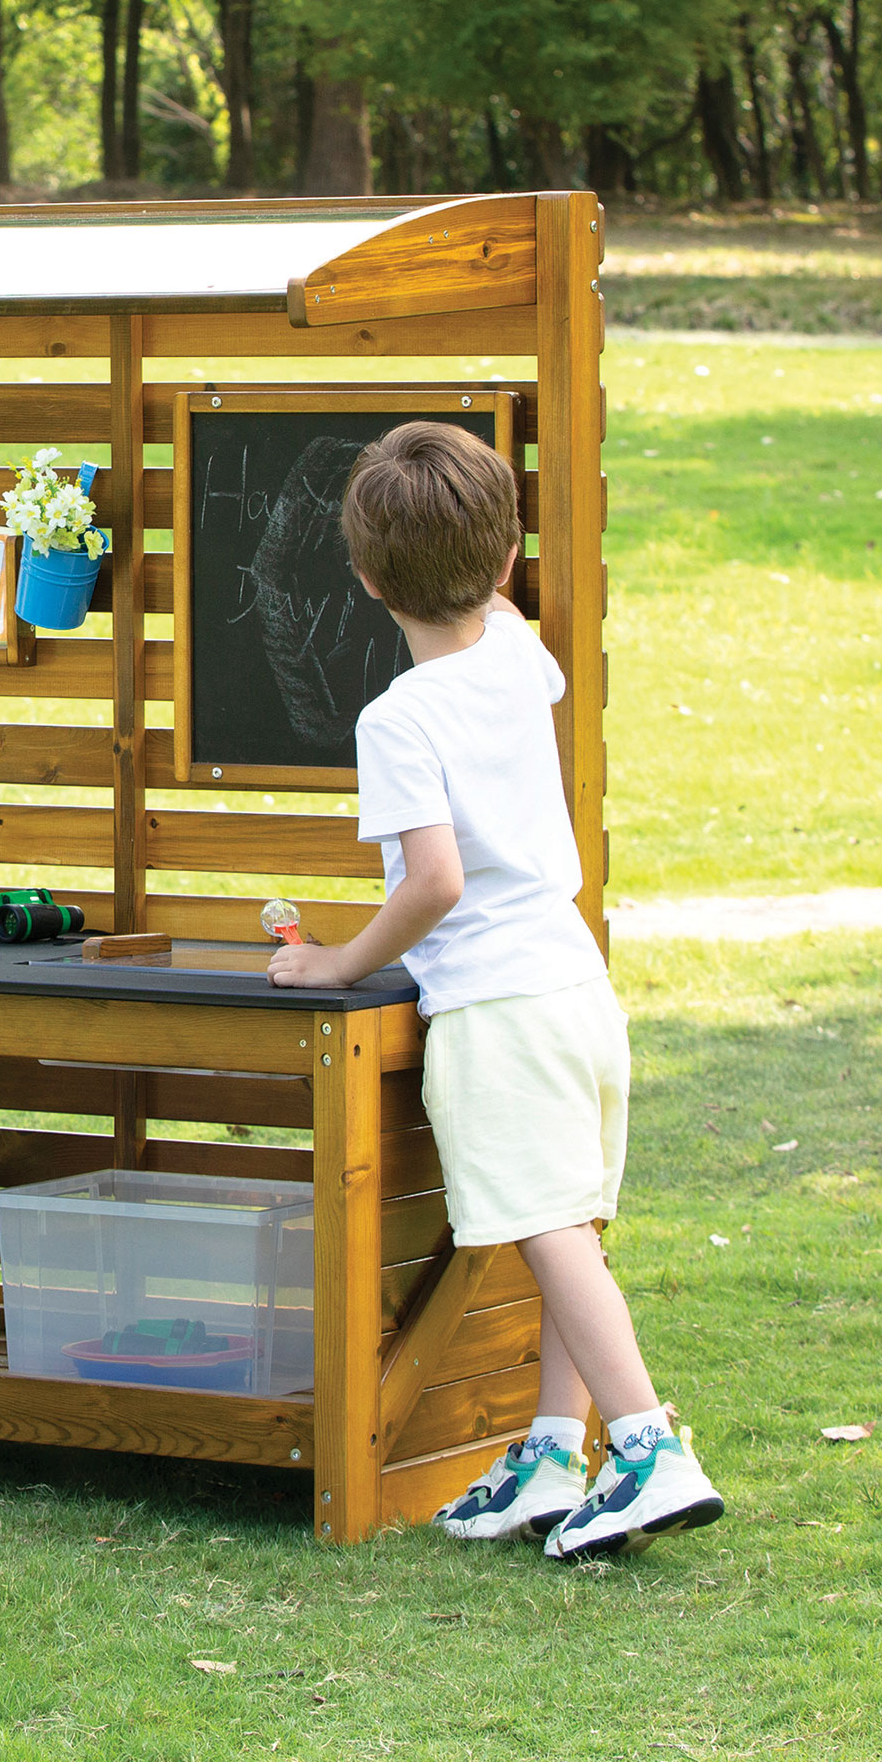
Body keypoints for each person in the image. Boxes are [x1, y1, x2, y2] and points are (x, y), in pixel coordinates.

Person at [267, 423, 724, 1561]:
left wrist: (339, 961)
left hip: (499, 1007)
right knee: (569, 1223)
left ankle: (649, 1449)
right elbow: (494, 606)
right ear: (510, 560)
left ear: (366, 581)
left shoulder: (396, 719)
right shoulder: (521, 654)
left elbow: (435, 882)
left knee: (546, 1228)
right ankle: (552, 1456)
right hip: (576, 988)